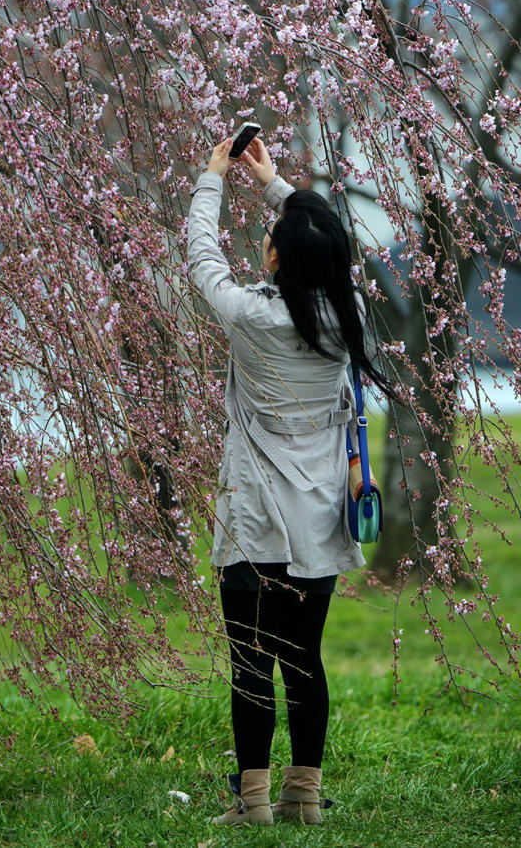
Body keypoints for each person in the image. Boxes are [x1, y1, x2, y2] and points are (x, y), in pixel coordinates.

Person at [186, 135, 393, 827]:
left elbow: (202, 259)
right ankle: (303, 796)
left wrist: (213, 180)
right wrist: (278, 188)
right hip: (315, 520)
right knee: (303, 657)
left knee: (252, 662)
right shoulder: (348, 318)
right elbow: (330, 248)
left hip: (252, 521)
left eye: (272, 236)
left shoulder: (252, 316)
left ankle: (254, 804)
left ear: (275, 257)